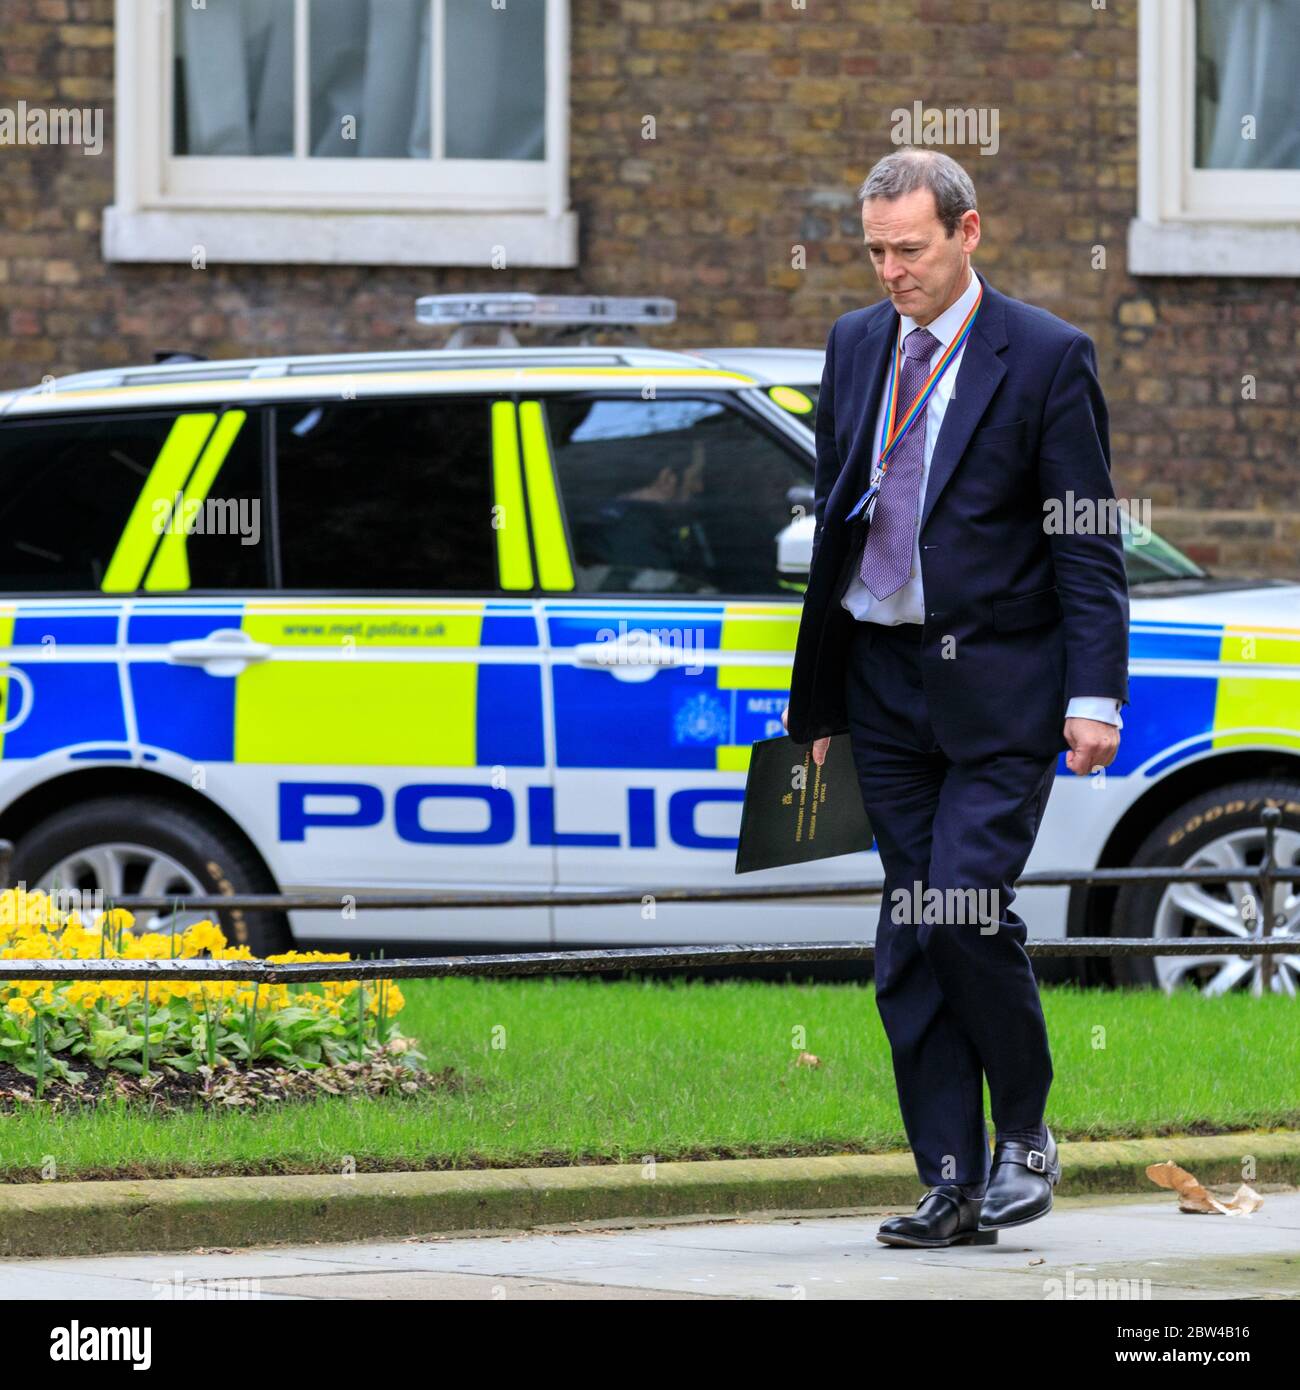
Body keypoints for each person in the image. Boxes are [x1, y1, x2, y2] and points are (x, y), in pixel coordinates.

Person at [783, 148, 1130, 1249]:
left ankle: (1024, 1131)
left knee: (962, 907)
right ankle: (952, 1181)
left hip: (998, 689)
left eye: (911, 249)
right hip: (881, 683)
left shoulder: (1045, 356)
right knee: (910, 932)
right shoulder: (850, 345)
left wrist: (1095, 696)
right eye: (876, 250)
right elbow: (848, 509)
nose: (891, 271)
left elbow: (1085, 539)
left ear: (967, 234)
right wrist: (821, 708)